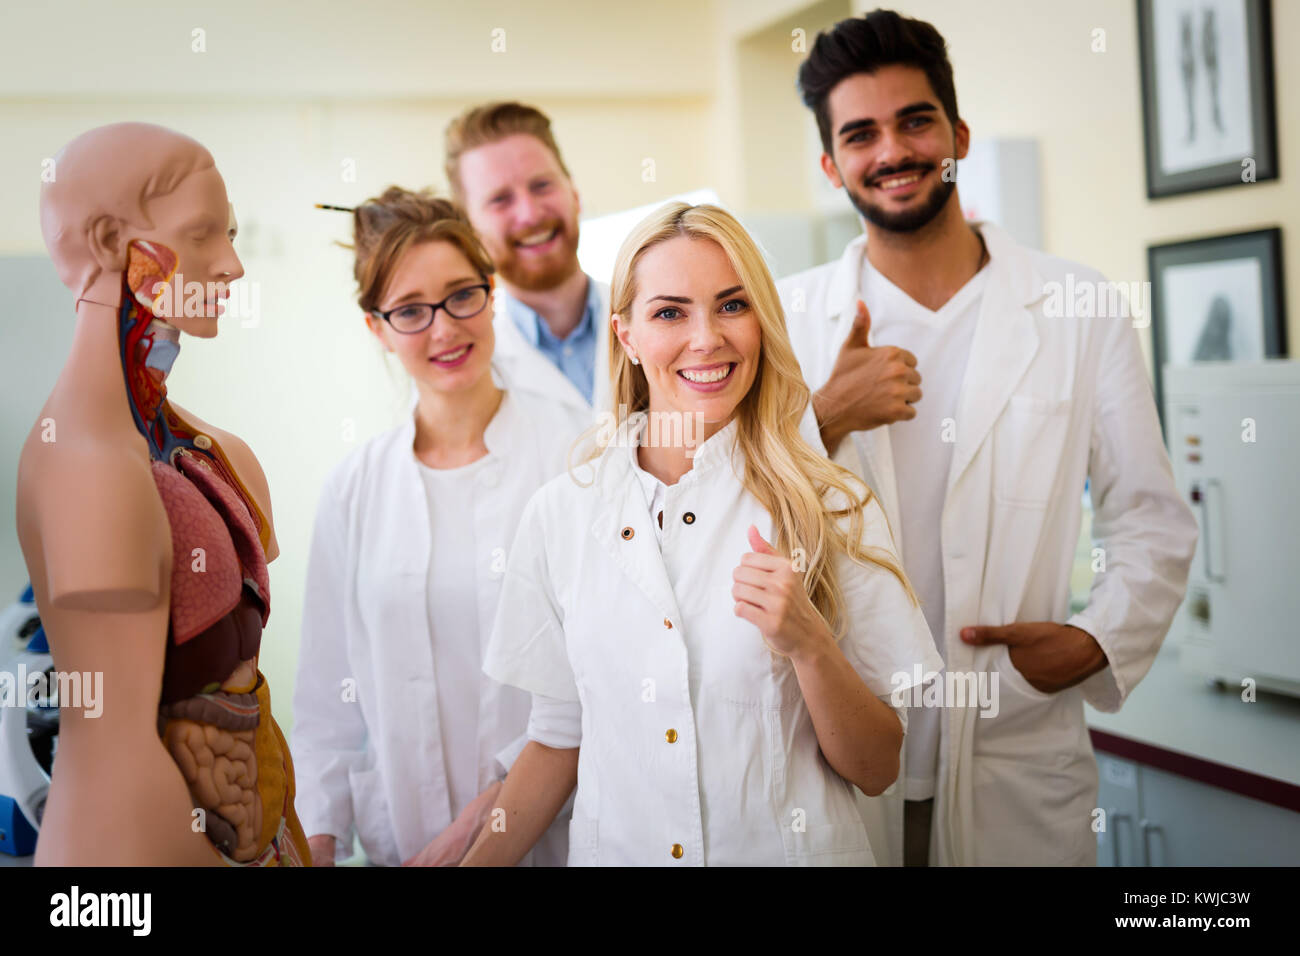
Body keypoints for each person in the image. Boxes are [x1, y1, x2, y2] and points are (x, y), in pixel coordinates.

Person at [777, 9, 1198, 865]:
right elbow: (717, 516)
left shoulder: (1078, 308)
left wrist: (1095, 639)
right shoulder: (787, 320)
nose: (892, 150)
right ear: (832, 166)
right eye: (861, 134)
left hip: (1015, 748)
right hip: (842, 756)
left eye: (916, 120)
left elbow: (1150, 518)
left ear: (959, 134)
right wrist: (822, 418)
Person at [460, 202, 941, 866]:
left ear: (762, 321)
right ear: (625, 334)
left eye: (732, 305)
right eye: (670, 312)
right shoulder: (561, 515)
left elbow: (879, 765)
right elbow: (557, 738)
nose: (707, 338)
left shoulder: (831, 503)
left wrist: (809, 645)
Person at [19, 122, 309, 865]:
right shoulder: (88, 469)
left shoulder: (211, 456)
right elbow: (110, 758)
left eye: (233, 234)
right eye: (204, 235)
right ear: (116, 242)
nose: (234, 266)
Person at [292, 188, 588, 867]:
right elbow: (325, 708)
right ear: (377, 327)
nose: (445, 329)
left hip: (561, 841)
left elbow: (593, 684)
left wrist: (483, 826)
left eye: (462, 295)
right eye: (410, 310)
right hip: (403, 846)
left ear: (492, 292)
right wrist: (317, 845)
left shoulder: (577, 454)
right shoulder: (355, 487)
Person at [443, 101, 610, 415]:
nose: (530, 214)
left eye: (542, 185)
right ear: (469, 228)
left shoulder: (657, 319)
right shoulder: (463, 366)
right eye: (500, 200)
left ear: (574, 193)